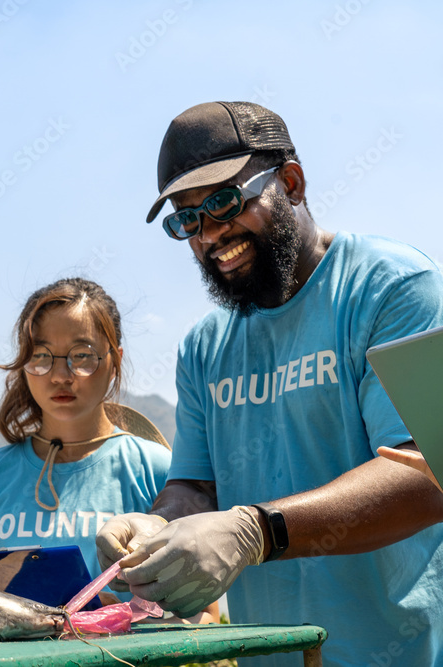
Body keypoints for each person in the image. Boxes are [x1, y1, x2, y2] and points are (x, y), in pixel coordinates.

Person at [95, 101, 443, 667]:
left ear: (292, 182)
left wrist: (256, 531)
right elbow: (197, 489)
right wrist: (157, 526)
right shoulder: (205, 347)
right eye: (187, 219)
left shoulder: (394, 289)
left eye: (224, 202)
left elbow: (427, 477)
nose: (210, 234)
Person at [0, 277, 215, 622]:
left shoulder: (160, 471)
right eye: (41, 356)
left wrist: (120, 613)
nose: (60, 375)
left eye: (82, 356)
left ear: (115, 360)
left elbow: (205, 613)